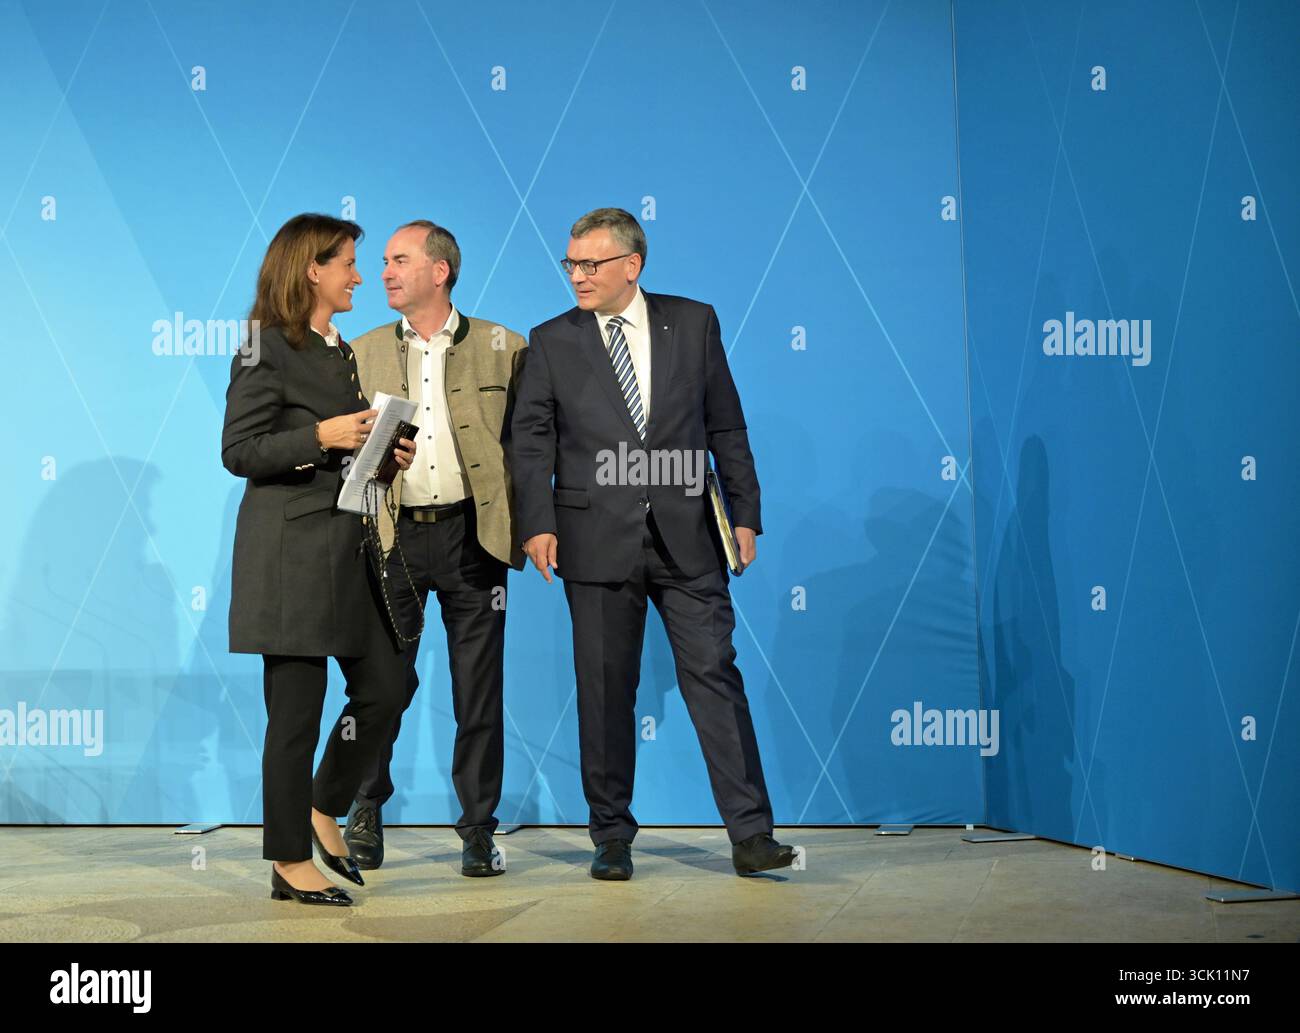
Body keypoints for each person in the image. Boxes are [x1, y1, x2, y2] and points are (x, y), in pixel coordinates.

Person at [510, 207, 794, 879]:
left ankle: (751, 834)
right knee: (605, 691)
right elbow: (531, 441)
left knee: (715, 679)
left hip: (688, 536)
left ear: (631, 266)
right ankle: (610, 834)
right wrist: (537, 522)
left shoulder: (693, 322)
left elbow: (726, 424)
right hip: (594, 538)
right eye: (570, 263)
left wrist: (745, 513)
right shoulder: (551, 340)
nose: (576, 274)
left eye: (590, 264)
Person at [222, 213, 417, 905]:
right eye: (348, 263)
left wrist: (385, 458)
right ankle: (287, 861)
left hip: (348, 551)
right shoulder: (262, 345)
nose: (360, 275)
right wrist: (321, 433)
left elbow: (346, 459)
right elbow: (239, 451)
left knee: (389, 687)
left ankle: (321, 804)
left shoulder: (338, 350)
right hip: (292, 559)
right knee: (296, 715)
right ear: (313, 268)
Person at [344, 221, 526, 877]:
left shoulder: (506, 347)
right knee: (381, 685)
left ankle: (478, 829)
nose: (384, 271)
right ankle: (365, 810)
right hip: (391, 538)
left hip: (474, 536)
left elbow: (531, 449)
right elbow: (343, 456)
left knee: (479, 692)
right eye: (383, 261)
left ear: (440, 270)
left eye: (399, 259)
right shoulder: (358, 351)